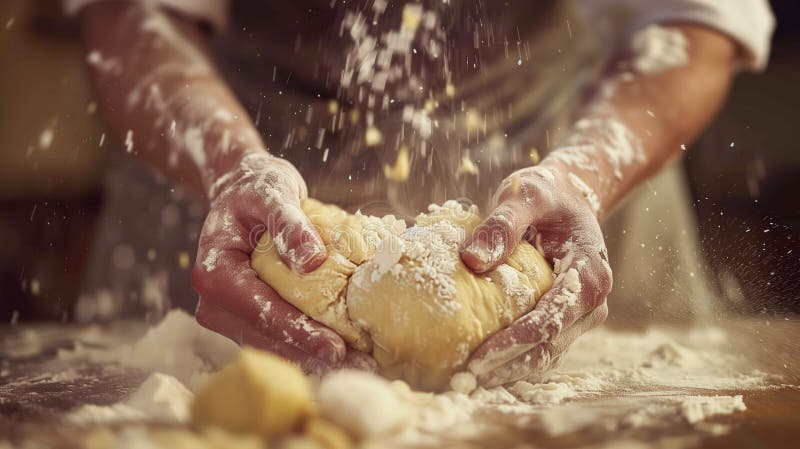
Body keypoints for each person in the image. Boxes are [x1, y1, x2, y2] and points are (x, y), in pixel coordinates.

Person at [67, 0, 774, 384]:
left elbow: (692, 23)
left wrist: (582, 175)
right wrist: (227, 166)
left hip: (566, 174)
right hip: (230, 181)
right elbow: (130, 19)